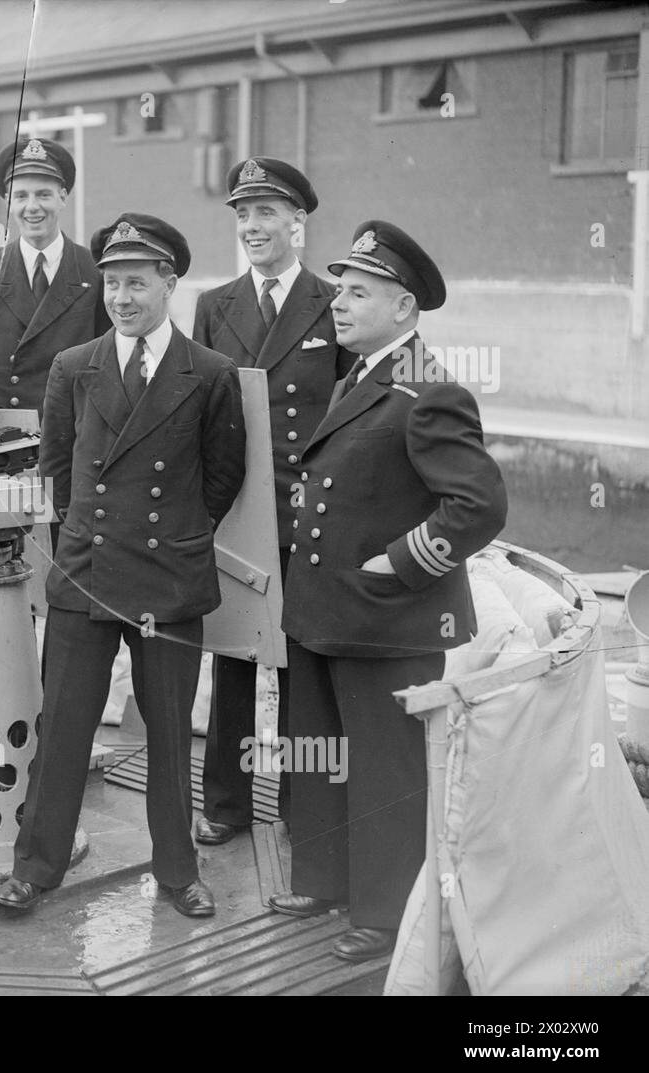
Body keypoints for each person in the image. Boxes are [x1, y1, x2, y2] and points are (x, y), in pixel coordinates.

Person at [268, 221, 507, 962]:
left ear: (404, 307)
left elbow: (479, 506)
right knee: (315, 752)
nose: (338, 302)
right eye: (340, 288)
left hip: (385, 620)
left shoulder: (429, 393)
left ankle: (380, 913)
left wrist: (401, 566)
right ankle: (322, 878)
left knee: (383, 772)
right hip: (322, 614)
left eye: (358, 292)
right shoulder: (361, 375)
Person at [0, 213, 247, 918]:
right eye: (112, 285)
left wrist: (175, 536)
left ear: (170, 282)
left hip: (169, 578)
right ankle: (36, 869)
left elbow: (222, 478)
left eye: (137, 283)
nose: (122, 298)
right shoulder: (74, 368)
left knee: (168, 734)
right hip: (86, 572)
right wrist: (88, 537)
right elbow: (57, 475)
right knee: (65, 730)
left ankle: (177, 872)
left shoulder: (211, 374)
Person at [192, 157, 354, 845]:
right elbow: (194, 406)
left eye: (265, 213)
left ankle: (299, 803)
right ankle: (225, 804)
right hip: (235, 514)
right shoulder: (213, 305)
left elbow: (355, 414)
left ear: (298, 222)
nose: (252, 227)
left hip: (306, 515)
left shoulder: (336, 302)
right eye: (242, 215)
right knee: (231, 658)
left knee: (301, 668)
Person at [0, 136, 111, 414]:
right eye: (21, 196)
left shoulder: (94, 269)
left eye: (43, 195)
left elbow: (106, 360)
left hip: (73, 428)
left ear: (62, 197)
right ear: (7, 202)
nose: (32, 207)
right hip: (4, 435)